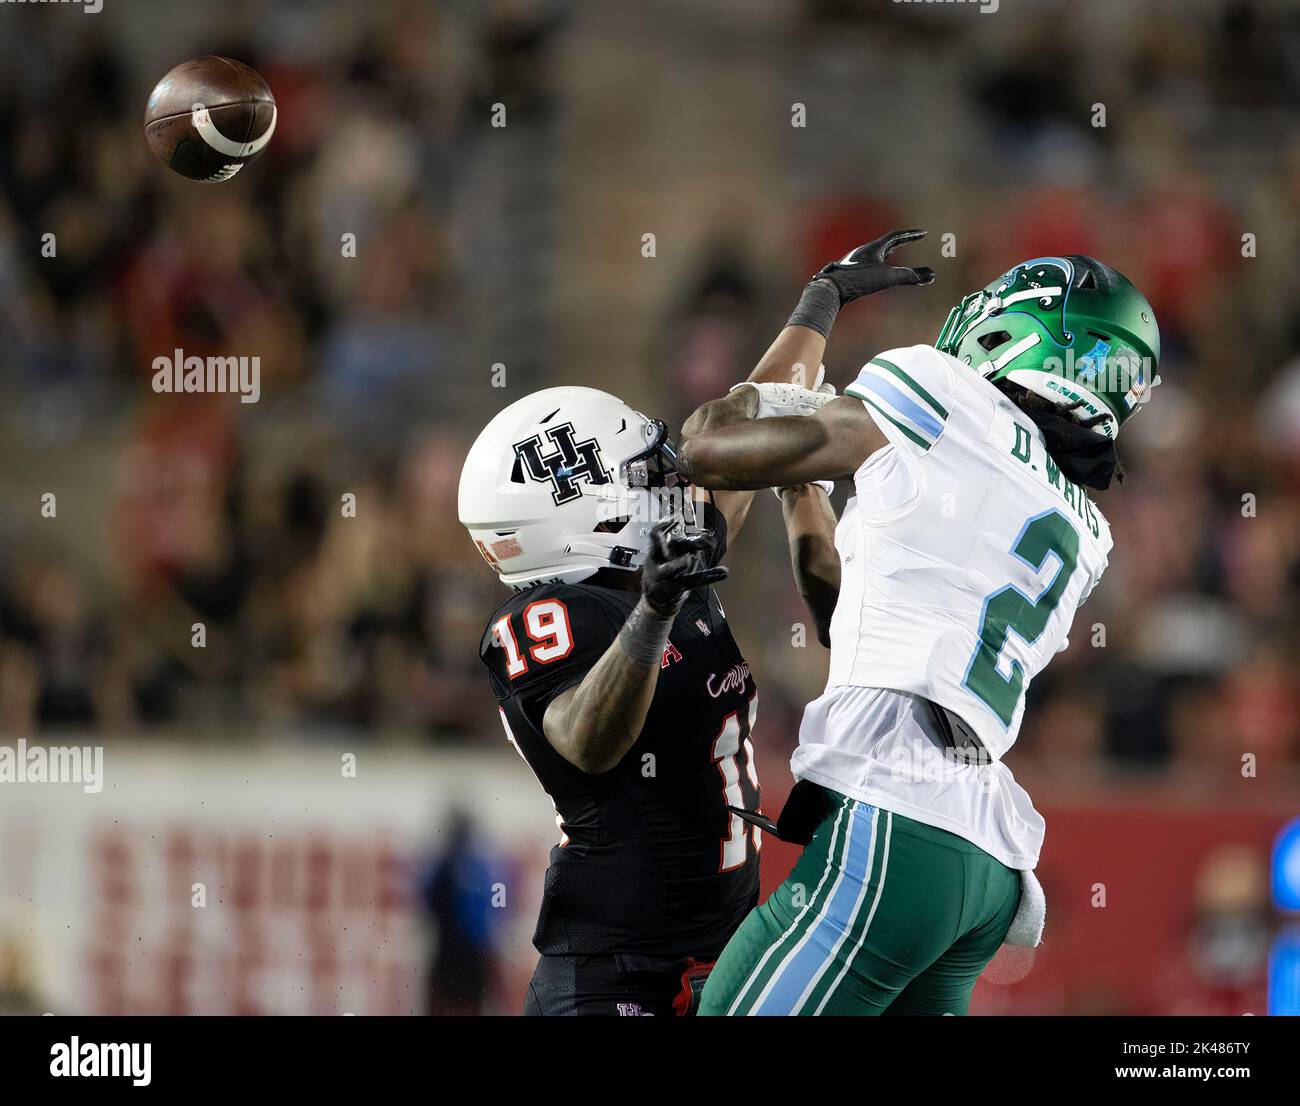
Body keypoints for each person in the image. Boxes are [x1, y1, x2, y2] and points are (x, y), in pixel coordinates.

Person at [677, 234, 1160, 1015]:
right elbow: (850, 615)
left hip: (897, 820)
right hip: (979, 860)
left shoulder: (943, 393)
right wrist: (806, 493)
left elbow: (709, 447)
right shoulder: (1083, 524)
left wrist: (812, 317)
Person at [457, 318, 842, 1014]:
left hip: (720, 965)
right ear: (578, 513)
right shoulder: (549, 619)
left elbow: (742, 436)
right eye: (643, 473)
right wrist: (655, 610)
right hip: (616, 979)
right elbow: (588, 739)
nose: (669, 477)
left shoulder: (660, 573)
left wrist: (816, 310)